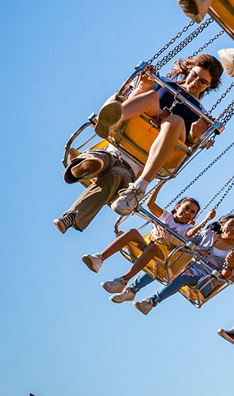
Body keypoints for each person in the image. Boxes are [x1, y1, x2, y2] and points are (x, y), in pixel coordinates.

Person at [94, 55, 222, 217]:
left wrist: (196, 135)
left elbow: (187, 145)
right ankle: (112, 121)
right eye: (194, 75)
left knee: (176, 121)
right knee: (151, 96)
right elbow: (137, 99)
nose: (195, 82)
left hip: (167, 145)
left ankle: (141, 186)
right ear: (188, 71)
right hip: (137, 129)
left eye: (202, 81)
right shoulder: (164, 84)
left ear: (209, 86)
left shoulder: (200, 114)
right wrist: (144, 85)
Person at [80, 181, 203, 298]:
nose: (187, 213)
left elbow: (191, 232)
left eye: (192, 212)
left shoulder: (187, 228)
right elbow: (150, 204)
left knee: (153, 248)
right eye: (186, 208)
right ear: (177, 207)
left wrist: (205, 221)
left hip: (162, 259)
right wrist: (159, 185)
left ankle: (123, 281)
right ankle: (100, 258)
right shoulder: (167, 216)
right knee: (133, 232)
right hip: (148, 246)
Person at [133, 214, 234, 314]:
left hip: (206, 282)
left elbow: (226, 276)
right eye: (230, 224)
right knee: (167, 264)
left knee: (185, 272)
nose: (233, 228)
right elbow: (187, 244)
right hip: (187, 266)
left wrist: (229, 264)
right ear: (222, 226)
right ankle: (132, 289)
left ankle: (151, 302)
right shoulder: (207, 234)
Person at [54, 148, 138, 234]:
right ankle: (86, 166)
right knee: (102, 157)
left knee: (115, 175)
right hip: (109, 156)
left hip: (127, 172)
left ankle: (72, 217)